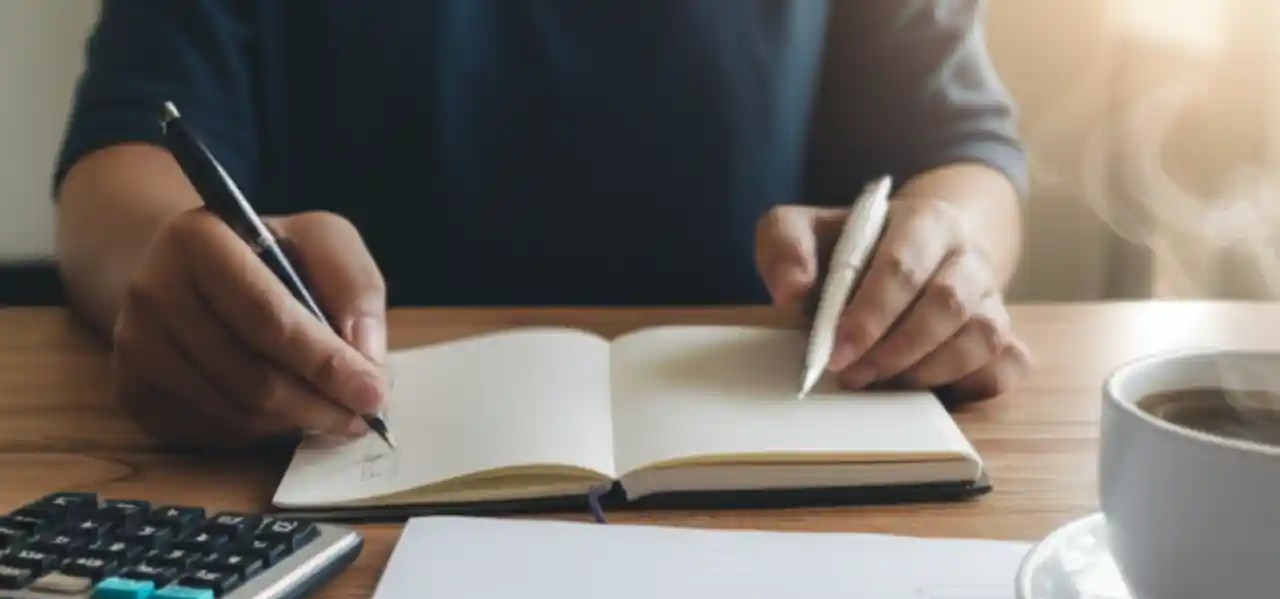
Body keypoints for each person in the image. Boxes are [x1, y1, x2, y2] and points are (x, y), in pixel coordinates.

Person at [53, 0, 1031, 447]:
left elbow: (960, 148)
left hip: (777, 460)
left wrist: (948, 246)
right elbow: (122, 156)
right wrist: (168, 267)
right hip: (318, 458)